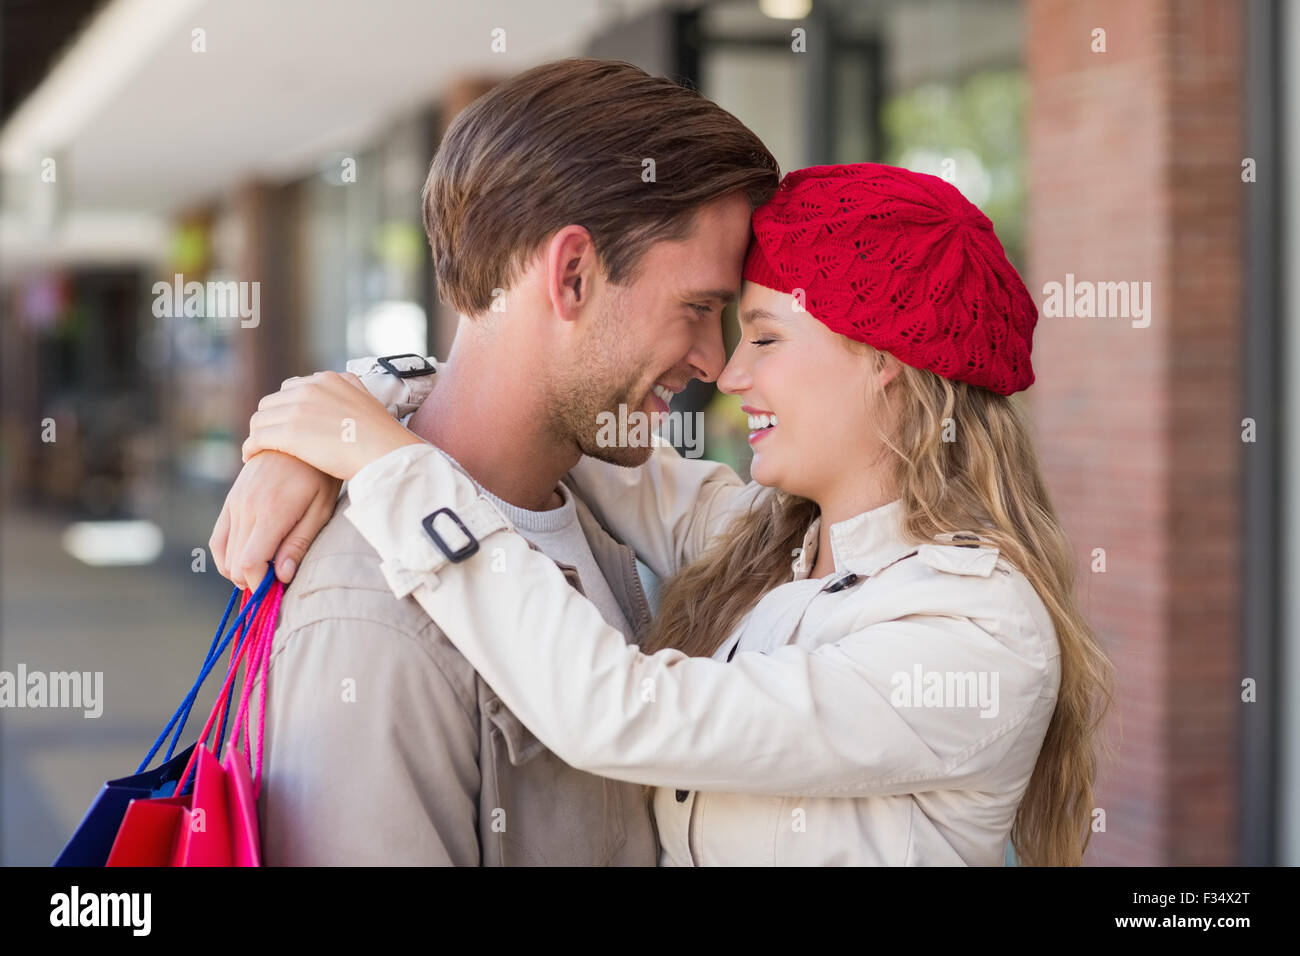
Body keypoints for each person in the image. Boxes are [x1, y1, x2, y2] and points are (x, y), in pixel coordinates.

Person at [229, 163, 1115, 866]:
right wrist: (335, 418)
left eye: (763, 337)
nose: (729, 375)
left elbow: (618, 711)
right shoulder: (772, 540)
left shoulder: (973, 633)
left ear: (884, 360)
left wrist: (377, 455)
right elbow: (540, 408)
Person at [207, 57, 780, 865]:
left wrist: (353, 410)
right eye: (698, 308)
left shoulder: (593, 496)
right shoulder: (371, 612)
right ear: (573, 274)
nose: (714, 363)